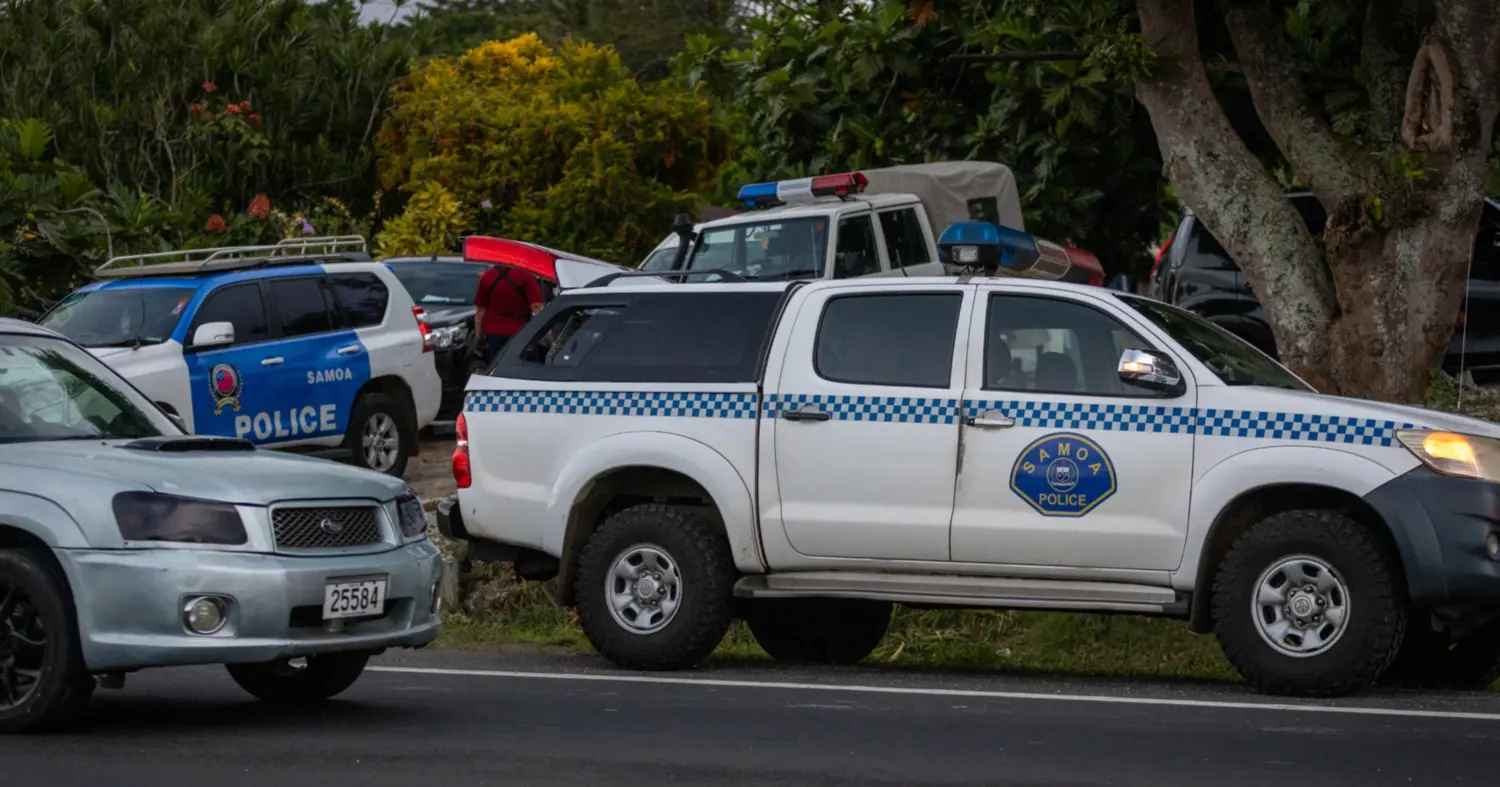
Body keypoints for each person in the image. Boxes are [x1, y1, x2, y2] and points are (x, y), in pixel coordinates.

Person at [473, 264, 543, 363]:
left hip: (494, 332)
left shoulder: (487, 276)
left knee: (497, 367)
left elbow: (480, 311)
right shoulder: (526, 275)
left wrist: (478, 338)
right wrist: (548, 336)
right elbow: (536, 308)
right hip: (521, 331)